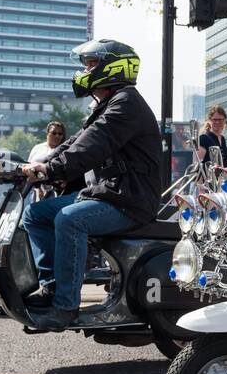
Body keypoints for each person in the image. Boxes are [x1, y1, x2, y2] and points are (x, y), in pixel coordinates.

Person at [20, 39, 163, 331]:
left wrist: (49, 170)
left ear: (114, 67)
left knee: (69, 220)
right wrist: (43, 163)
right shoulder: (107, 104)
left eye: (91, 64)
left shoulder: (126, 102)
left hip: (130, 201)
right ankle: (52, 287)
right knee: (35, 215)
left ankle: (65, 307)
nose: (85, 71)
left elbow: (93, 145)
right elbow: (76, 141)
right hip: (107, 195)